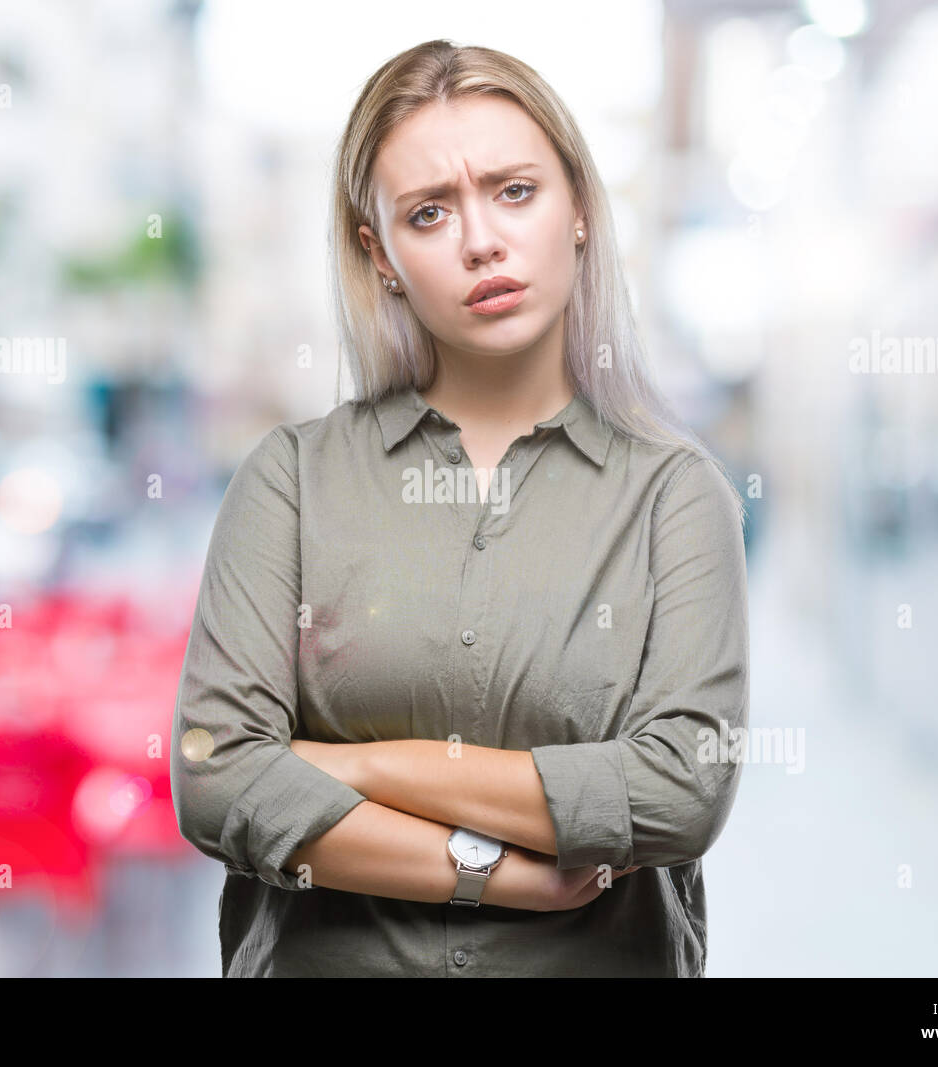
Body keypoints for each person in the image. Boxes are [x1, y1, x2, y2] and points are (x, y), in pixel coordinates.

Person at [170, 38, 749, 977]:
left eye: (515, 191)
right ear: (382, 255)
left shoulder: (675, 497)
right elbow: (217, 773)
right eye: (430, 212)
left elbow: (681, 793)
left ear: (580, 213)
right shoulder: (288, 479)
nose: (481, 239)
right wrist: (492, 870)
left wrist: (350, 764)